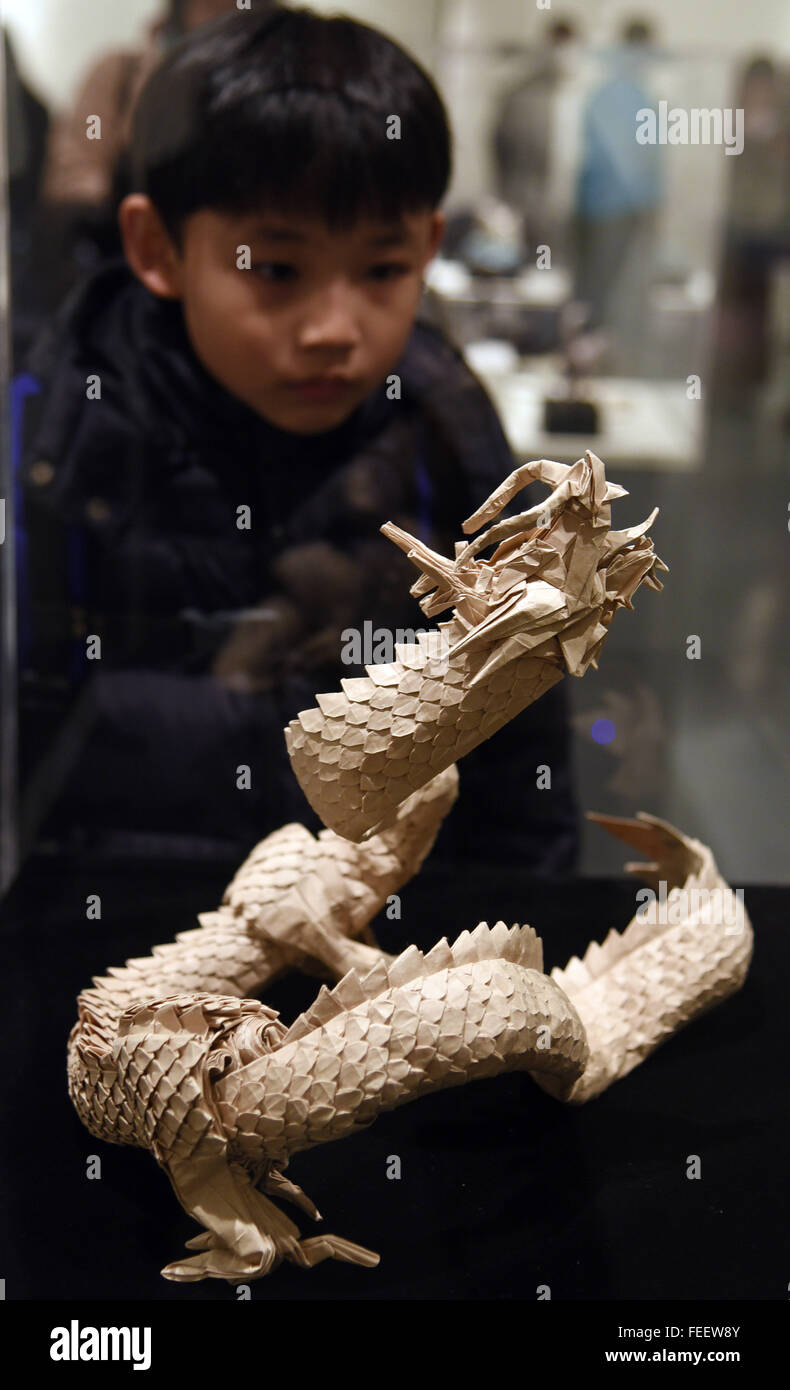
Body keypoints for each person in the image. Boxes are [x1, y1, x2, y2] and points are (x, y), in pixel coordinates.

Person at [22, 7, 579, 870]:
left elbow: (521, 764)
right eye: (277, 270)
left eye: (383, 269)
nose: (333, 330)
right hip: (123, 922)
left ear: (429, 247)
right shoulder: (68, 427)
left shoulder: (445, 426)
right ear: (156, 248)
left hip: (390, 933)